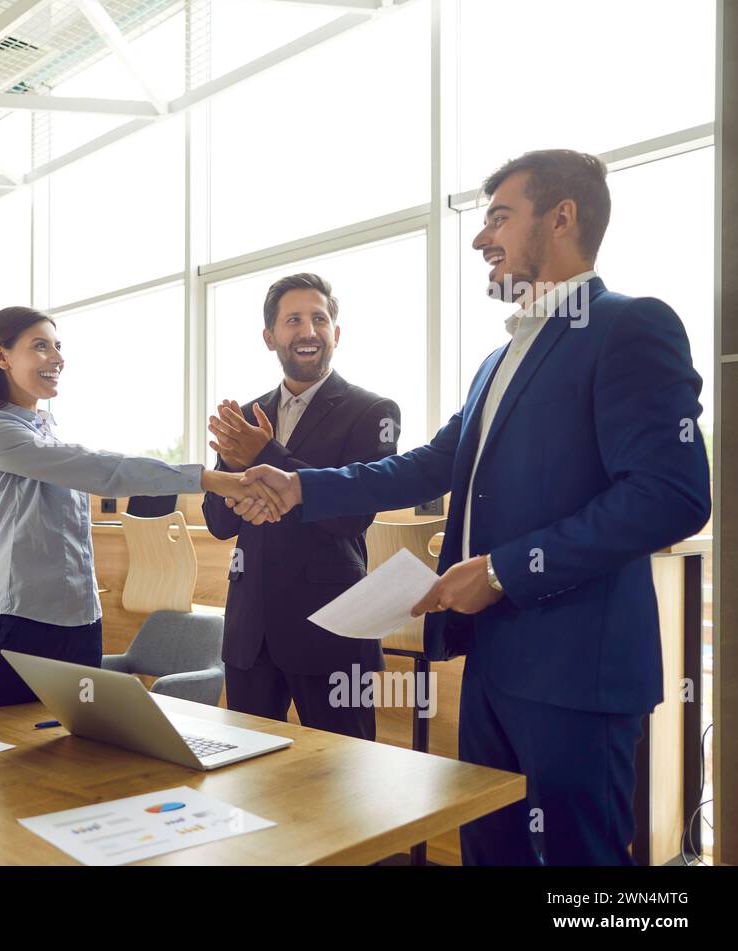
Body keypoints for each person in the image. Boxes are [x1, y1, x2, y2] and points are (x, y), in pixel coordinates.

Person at [235, 150, 711, 865]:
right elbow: (429, 464)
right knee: (491, 853)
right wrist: (304, 486)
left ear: (561, 218)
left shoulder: (629, 326)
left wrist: (504, 570)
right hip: (492, 667)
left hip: (578, 675)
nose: (480, 238)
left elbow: (671, 494)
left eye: (498, 217)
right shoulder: (499, 360)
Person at [0, 306, 284, 709]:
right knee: (10, 763)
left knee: (76, 761)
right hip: (19, 624)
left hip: (82, 623)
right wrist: (210, 478)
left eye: (58, 347)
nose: (57, 358)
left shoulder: (48, 431)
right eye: (40, 347)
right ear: (2, 357)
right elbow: (103, 469)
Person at [203, 272, 399, 739]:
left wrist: (266, 457)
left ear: (336, 333)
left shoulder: (373, 411)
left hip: (334, 632)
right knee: (248, 783)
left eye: (319, 318)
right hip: (251, 636)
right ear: (270, 337)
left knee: (343, 783)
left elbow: (352, 514)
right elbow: (217, 523)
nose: (307, 330)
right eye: (293, 320)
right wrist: (234, 472)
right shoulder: (248, 416)